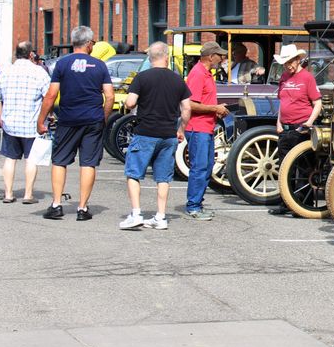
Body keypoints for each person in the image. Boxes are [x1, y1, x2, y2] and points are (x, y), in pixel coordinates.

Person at [37, 26, 114, 221]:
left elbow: (51, 95)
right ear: (89, 44)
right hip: (93, 118)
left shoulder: (62, 64)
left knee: (59, 160)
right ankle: (82, 208)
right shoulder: (99, 65)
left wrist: (41, 120)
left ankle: (56, 205)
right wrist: (103, 118)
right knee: (88, 162)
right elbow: (110, 96)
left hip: (68, 119)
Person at [119, 42, 192, 230]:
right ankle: (160, 216)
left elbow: (130, 102)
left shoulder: (142, 78)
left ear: (150, 58)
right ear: (166, 56)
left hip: (145, 131)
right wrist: (181, 130)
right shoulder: (178, 80)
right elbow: (186, 109)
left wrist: (135, 102)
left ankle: (136, 213)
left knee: (133, 173)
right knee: (163, 177)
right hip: (168, 134)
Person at [269, 43, 322, 216]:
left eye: (291, 62)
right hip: (285, 128)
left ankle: (301, 205)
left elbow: (317, 103)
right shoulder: (284, 77)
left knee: (303, 168)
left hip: (301, 128)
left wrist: (309, 122)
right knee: (285, 167)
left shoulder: (307, 77)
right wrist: (278, 123)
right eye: (285, 63)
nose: (288, 65)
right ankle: (286, 202)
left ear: (298, 60)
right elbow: (282, 103)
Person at [0, 42, 50, 203]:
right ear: (31, 54)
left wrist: (1, 118)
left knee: (10, 158)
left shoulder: (6, 72)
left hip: (10, 123)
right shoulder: (39, 72)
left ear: (16, 54)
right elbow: (49, 96)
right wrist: (47, 117)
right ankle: (27, 194)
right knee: (31, 159)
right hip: (32, 123)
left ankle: (8, 194)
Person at [184, 41, 229, 220]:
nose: (222, 58)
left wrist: (215, 110)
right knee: (200, 167)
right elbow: (190, 104)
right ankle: (193, 206)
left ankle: (197, 203)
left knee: (207, 166)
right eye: (219, 55)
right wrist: (215, 109)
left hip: (204, 127)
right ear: (211, 57)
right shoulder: (198, 74)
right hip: (198, 128)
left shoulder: (205, 73)